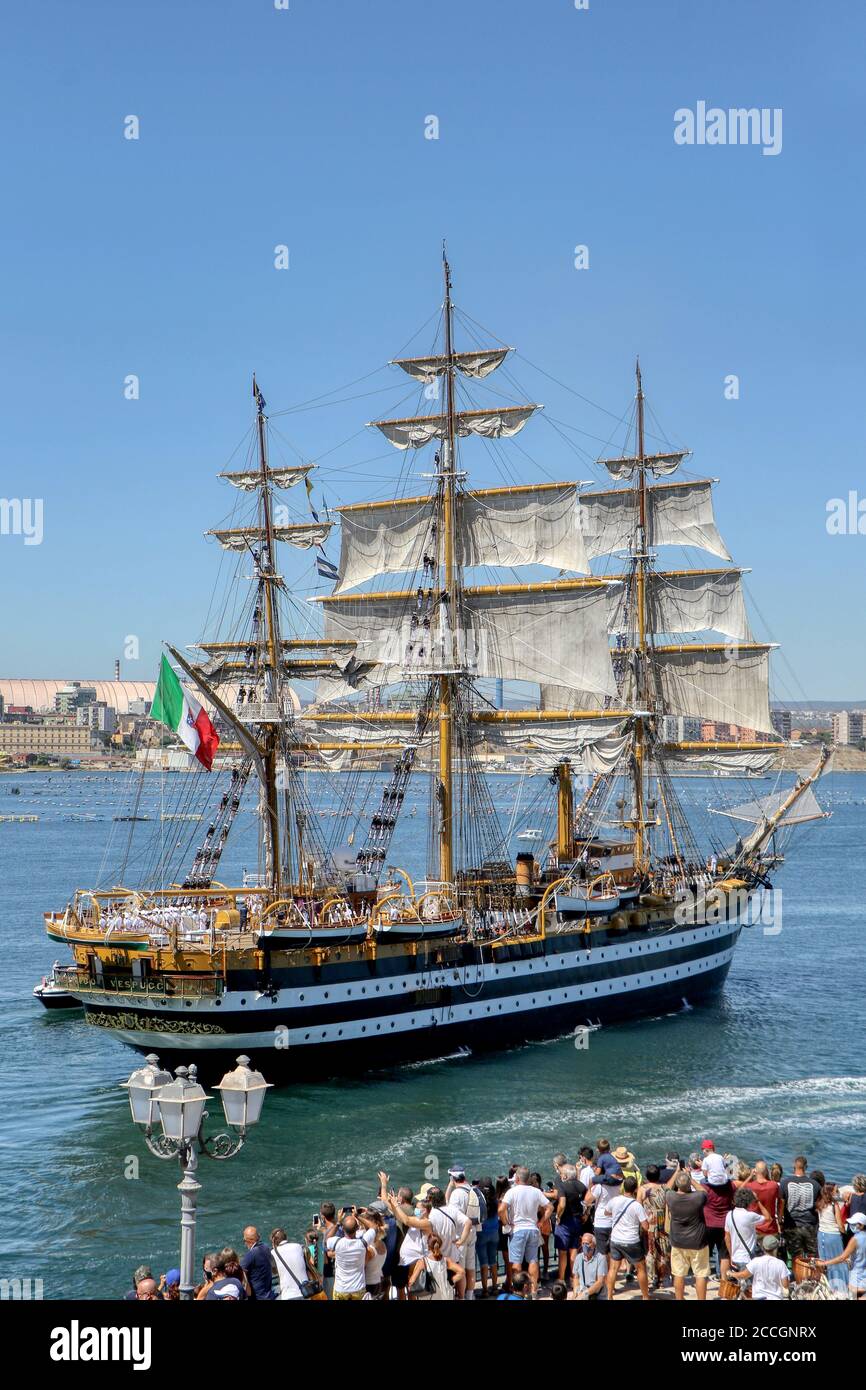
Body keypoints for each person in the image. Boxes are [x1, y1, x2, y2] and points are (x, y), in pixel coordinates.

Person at [500, 1166, 552, 1294]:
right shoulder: (536, 1191)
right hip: (533, 1229)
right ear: (528, 1178)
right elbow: (550, 1207)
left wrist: (506, 1223)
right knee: (533, 1260)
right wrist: (541, 1221)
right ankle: (533, 1291)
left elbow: (501, 1210)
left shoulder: (512, 1192)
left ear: (517, 1178)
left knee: (516, 1262)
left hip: (517, 1230)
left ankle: (518, 1291)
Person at [603, 1176, 650, 1301]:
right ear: (635, 1189)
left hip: (616, 1239)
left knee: (613, 1268)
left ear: (624, 1187)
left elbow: (606, 1213)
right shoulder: (637, 1205)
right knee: (641, 1268)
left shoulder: (614, 1200)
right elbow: (646, 1226)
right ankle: (645, 1297)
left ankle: (609, 1296)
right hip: (631, 1241)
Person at [666, 1170, 709, 1301]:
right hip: (698, 1242)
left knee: (678, 1274)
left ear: (677, 1185)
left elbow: (666, 1188)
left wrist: (676, 1172)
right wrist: (691, 1179)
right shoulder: (697, 1198)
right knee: (700, 1274)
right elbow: (704, 1191)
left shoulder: (671, 1197)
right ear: (689, 1184)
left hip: (678, 1241)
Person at [445, 1164, 482, 1299]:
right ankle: (470, 1296)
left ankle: (461, 1297)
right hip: (473, 1231)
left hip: (460, 1235)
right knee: (470, 1267)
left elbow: (451, 1214)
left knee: (460, 1269)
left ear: (452, 1178)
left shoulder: (457, 1194)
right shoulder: (472, 1190)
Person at [325, 1211, 376, 1301]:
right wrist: (357, 1216)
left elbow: (327, 1239)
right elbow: (374, 1227)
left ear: (342, 1228)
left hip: (341, 1288)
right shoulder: (363, 1243)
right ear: (357, 1228)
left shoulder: (337, 1242)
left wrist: (338, 1223)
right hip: (358, 1287)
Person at [780, 1155, 822, 1262]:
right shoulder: (815, 1185)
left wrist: (780, 1221)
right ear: (806, 1167)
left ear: (794, 1166)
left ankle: (797, 1272)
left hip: (791, 1225)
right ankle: (811, 1272)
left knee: (795, 1257)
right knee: (812, 1257)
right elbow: (820, 1206)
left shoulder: (784, 1183)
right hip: (810, 1225)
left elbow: (781, 1205)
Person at [816, 1210, 866, 1299]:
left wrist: (824, 1263)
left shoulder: (855, 1239)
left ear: (861, 1225)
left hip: (856, 1278)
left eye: (854, 1224)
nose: (852, 1226)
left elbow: (841, 1258)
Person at [553, 1162, 587, 1281]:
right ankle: (574, 1279)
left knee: (562, 1252)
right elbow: (588, 1201)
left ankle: (561, 1279)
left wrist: (558, 1216)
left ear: (566, 1176)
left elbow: (562, 1204)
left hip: (565, 1221)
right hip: (577, 1220)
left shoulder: (563, 1186)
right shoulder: (582, 1186)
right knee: (574, 1250)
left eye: (562, 1174)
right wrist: (586, 1214)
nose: (561, 1175)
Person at [731, 1234, 790, 1300]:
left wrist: (731, 1274)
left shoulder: (756, 1261)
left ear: (763, 1248)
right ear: (776, 1248)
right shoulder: (781, 1264)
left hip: (759, 1298)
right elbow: (785, 1285)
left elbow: (743, 1275)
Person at [406, 1232, 462, 1300]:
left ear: (428, 1246)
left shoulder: (423, 1262)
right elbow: (461, 1272)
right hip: (446, 1295)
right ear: (440, 1245)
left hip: (428, 1296)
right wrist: (451, 1281)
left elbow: (412, 1281)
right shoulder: (446, 1260)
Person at [640, 1164, 671, 1288]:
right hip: (662, 1220)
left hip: (648, 1221)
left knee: (650, 1250)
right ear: (659, 1176)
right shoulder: (664, 1188)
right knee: (662, 1250)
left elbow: (638, 1207)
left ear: (647, 1176)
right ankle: (662, 1279)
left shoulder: (642, 1189)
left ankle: (651, 1278)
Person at [270, 1227, 319, 1301]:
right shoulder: (299, 1246)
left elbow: (274, 1271)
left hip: (288, 1295)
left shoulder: (273, 1253)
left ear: (274, 1241)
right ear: (286, 1237)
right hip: (305, 1292)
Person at [815, 1183, 847, 1294]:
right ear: (831, 1192)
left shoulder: (820, 1203)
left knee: (824, 1260)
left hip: (821, 1234)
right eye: (836, 1191)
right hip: (833, 1236)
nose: (837, 1192)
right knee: (837, 1261)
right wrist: (845, 1232)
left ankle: (825, 1284)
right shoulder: (834, 1205)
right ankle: (837, 1286)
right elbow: (840, 1225)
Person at [725, 1188, 764, 1271]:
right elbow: (768, 1218)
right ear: (749, 1202)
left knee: (739, 1279)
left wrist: (731, 1255)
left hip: (735, 1257)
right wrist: (757, 1201)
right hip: (748, 1259)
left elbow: (727, 1238)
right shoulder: (750, 1216)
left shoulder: (729, 1215)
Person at [475, 1177, 501, 1298]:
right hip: (494, 1232)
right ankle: (495, 1287)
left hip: (482, 1234)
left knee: (483, 1262)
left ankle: (485, 1290)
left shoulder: (479, 1201)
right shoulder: (495, 1200)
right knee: (493, 1261)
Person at [744, 1160, 782, 1238]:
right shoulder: (774, 1186)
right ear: (766, 1172)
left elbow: (739, 1191)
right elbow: (780, 1203)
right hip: (770, 1228)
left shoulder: (750, 1186)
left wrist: (750, 1176)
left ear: (755, 1171)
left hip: (755, 1229)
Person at [240, 1225, 275, 1300]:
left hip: (257, 1297)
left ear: (248, 1241)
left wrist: (248, 1292)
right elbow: (274, 1268)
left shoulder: (250, 1255)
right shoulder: (266, 1248)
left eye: (244, 1240)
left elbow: (240, 1272)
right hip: (269, 1295)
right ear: (258, 1237)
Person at [572, 1231, 608, 1300]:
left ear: (594, 1245)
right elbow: (576, 1277)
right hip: (582, 1292)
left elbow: (600, 1281)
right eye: (583, 1243)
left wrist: (585, 1294)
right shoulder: (578, 1257)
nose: (584, 1246)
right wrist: (575, 1292)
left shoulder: (601, 1258)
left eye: (587, 1244)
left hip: (597, 1295)